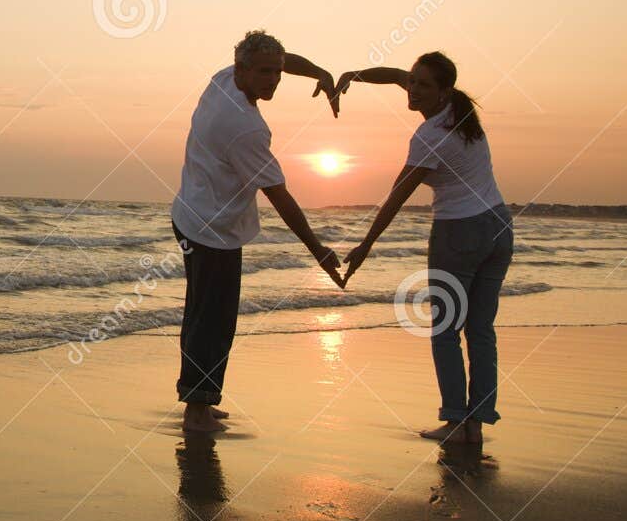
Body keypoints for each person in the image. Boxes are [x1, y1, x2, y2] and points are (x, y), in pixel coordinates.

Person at [171, 30, 345, 434]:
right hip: (211, 228)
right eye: (265, 73)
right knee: (211, 319)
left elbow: (282, 59)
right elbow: (278, 195)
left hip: (192, 213)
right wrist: (316, 248)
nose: (274, 80)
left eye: (278, 73)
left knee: (206, 314)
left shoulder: (222, 79)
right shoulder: (245, 128)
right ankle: (196, 409)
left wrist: (317, 71)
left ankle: (202, 396)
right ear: (242, 69)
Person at [338, 51, 513, 445]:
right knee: (481, 329)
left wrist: (366, 244)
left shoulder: (430, 136)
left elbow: (396, 196)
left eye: (422, 84)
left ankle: (455, 421)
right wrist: (355, 75)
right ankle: (477, 423)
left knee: (446, 329)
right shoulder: (458, 110)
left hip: (460, 233)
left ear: (443, 90)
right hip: (499, 225)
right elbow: (395, 74)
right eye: (413, 81)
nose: (412, 89)